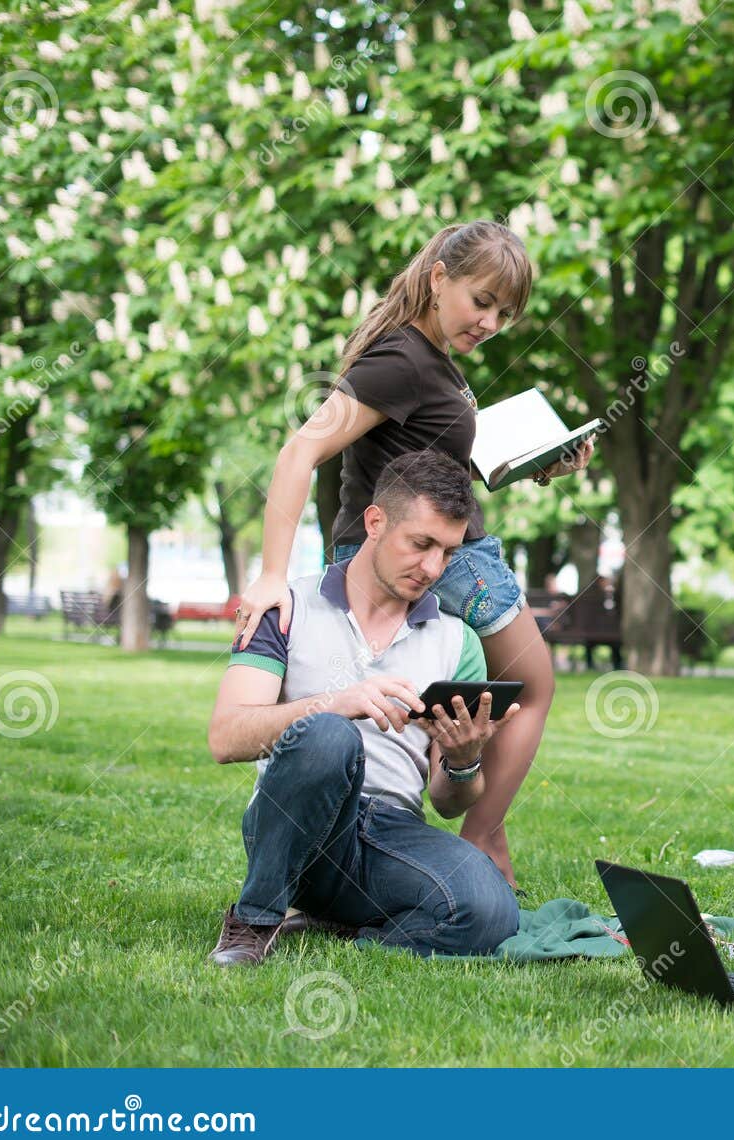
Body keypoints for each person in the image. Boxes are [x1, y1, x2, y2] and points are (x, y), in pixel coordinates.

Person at [234, 221, 592, 889]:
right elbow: (300, 450)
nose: (491, 322)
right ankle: (482, 843)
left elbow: (454, 460)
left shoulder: (430, 360)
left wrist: (545, 464)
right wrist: (272, 575)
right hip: (431, 552)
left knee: (472, 705)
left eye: (504, 313)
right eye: (481, 301)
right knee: (532, 688)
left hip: (415, 543)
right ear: (438, 279)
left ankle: (454, 848)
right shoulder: (403, 359)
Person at [208, 452, 523, 965]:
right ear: (375, 522)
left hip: (389, 837)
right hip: (296, 828)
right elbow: (225, 738)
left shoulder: (457, 639)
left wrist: (465, 761)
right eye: (420, 544)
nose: (432, 568)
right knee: (330, 736)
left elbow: (447, 803)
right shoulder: (286, 607)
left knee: (492, 910)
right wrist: (335, 704)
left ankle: (348, 929)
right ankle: (254, 919)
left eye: (447, 551)